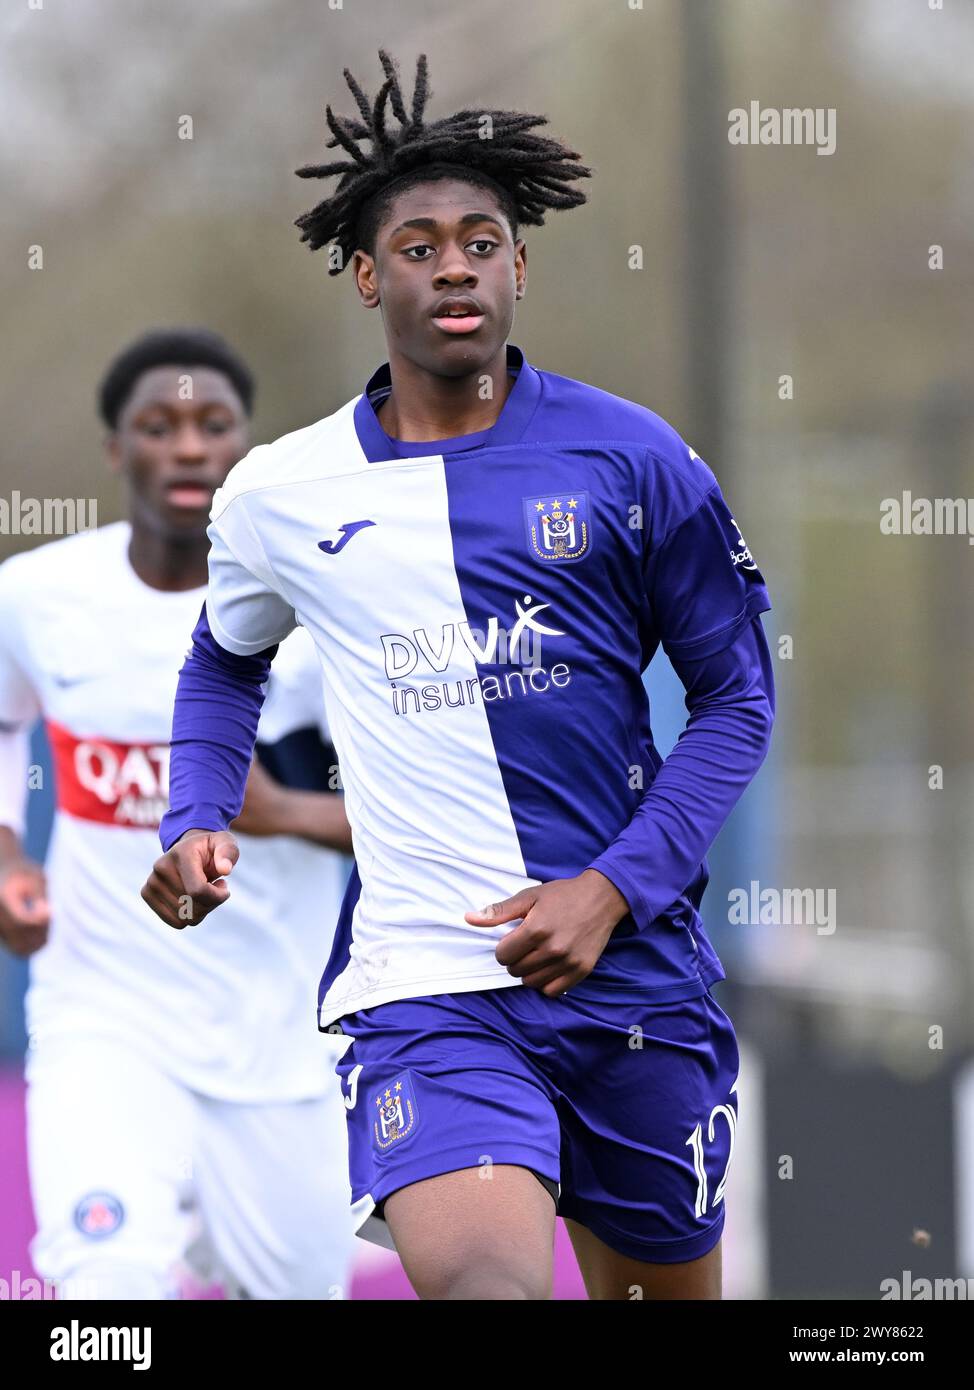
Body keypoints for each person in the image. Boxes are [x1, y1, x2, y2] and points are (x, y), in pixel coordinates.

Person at [143, 53, 776, 1301]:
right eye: (420, 244)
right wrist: (195, 812)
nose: (453, 266)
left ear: (518, 268)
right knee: (487, 1287)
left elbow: (735, 698)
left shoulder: (632, 459)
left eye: (481, 241)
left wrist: (610, 887)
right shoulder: (281, 491)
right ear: (368, 274)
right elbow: (224, 661)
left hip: (633, 978)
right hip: (429, 988)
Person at [0, 328, 357, 1300]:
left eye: (213, 425)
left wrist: (281, 812)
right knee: (104, 1286)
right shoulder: (36, 596)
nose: (189, 447)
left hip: (280, 1041)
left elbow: (415, 815)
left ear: (248, 446)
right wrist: (5, 859)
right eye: (158, 426)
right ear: (117, 448)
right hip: (102, 1020)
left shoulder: (315, 615)